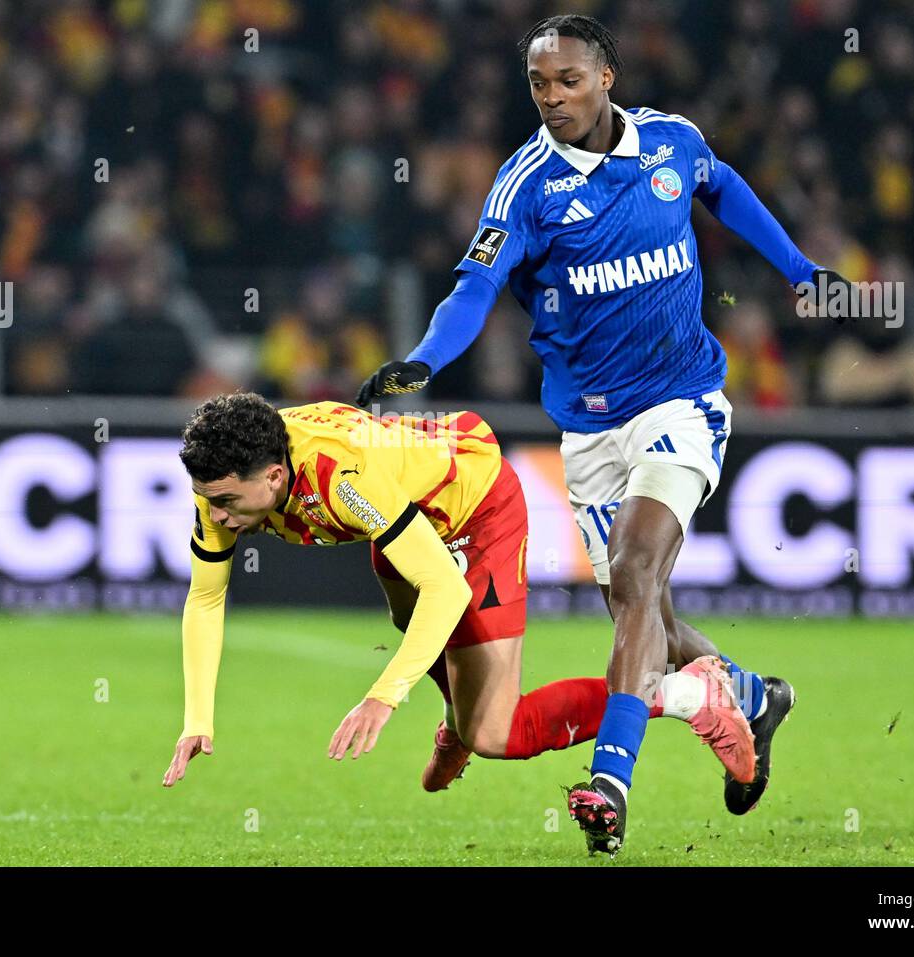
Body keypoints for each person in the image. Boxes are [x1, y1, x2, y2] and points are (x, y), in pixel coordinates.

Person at [357, 14, 837, 853]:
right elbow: (474, 286)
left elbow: (720, 184)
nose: (552, 98)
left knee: (639, 570)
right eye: (539, 85)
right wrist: (423, 359)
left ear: (607, 76)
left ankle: (610, 779)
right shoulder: (526, 186)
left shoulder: (669, 143)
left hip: (682, 401)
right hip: (588, 429)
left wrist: (800, 271)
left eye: (568, 80)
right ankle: (754, 697)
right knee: (641, 609)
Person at [161, 393, 754, 797]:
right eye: (207, 499)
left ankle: (686, 692)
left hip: (478, 507)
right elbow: (205, 600)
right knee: (404, 613)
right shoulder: (227, 478)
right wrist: (196, 719)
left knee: (497, 732)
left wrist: (383, 696)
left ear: (272, 477)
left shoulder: (343, 481)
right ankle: (456, 719)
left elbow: (442, 586)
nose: (214, 515)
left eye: (226, 503)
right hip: (414, 502)